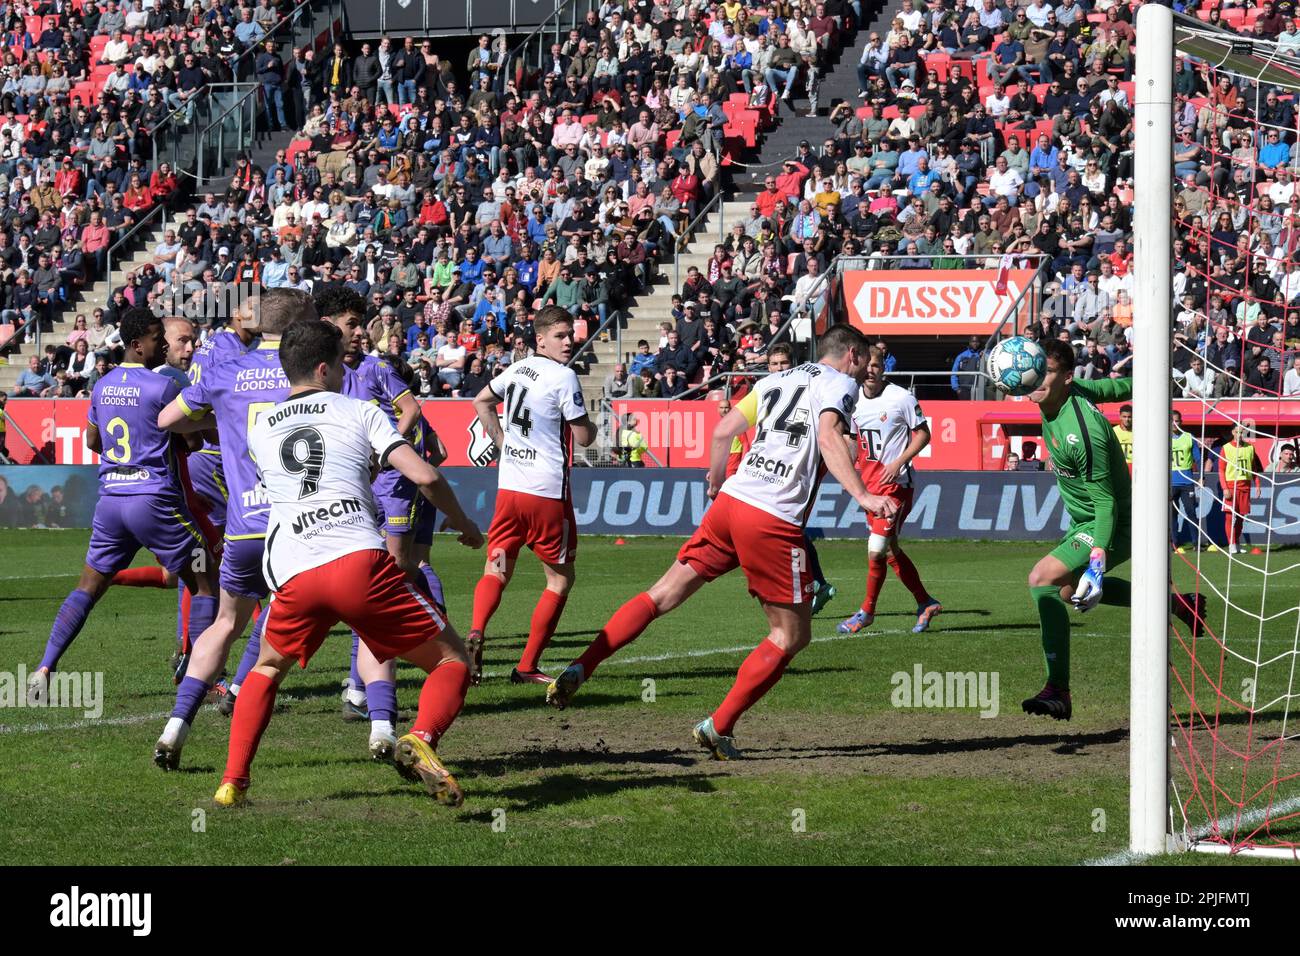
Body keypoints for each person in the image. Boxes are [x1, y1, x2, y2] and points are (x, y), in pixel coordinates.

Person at [545, 325, 899, 759]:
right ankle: (719, 725)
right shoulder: (841, 383)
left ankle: (584, 664)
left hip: (731, 502)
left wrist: (716, 480)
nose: (865, 373)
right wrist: (863, 495)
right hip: (771, 516)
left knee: (661, 595)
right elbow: (827, 436)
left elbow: (722, 431)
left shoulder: (773, 380)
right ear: (851, 355)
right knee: (790, 636)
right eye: (864, 362)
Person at [213, 318, 484, 808]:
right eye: (340, 362)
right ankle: (420, 736)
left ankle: (233, 782)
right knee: (451, 661)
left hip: (294, 569)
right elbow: (424, 475)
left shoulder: (261, 431)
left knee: (266, 669)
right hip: (357, 558)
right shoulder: (360, 411)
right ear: (324, 367)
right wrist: (464, 524)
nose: (345, 370)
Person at [151, 289, 317, 770]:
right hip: (298, 525)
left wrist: (220, 421)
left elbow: (166, 420)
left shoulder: (227, 371)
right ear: (300, 323)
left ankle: (177, 724)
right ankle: (382, 719)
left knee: (225, 623)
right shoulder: (309, 371)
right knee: (313, 616)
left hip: (244, 524)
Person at [26, 310, 219, 705]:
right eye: (155, 339)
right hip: (154, 503)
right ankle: (198, 682)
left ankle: (45, 666)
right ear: (136, 345)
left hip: (111, 502)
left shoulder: (102, 385)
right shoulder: (162, 386)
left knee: (88, 587)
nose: (162, 346)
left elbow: (93, 440)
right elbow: (195, 442)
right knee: (205, 581)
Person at [1019, 339, 1202, 721]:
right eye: (1034, 368)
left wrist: (1097, 562)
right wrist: (1152, 379)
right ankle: (1180, 605)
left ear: (1067, 377)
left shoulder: (1083, 431)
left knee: (1041, 580)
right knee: (1065, 591)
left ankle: (1058, 689)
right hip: (1087, 520)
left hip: (1113, 523)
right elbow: (1113, 388)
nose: (1035, 377)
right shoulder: (1069, 391)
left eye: (1046, 371)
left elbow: (1106, 504)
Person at [314, 288, 425, 745]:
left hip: (389, 486)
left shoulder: (376, 369)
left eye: (362, 325)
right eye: (352, 324)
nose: (361, 333)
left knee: (390, 579)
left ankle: (362, 690)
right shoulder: (323, 374)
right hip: (351, 490)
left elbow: (412, 410)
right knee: (363, 580)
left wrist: (383, 450)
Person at [466, 305, 598, 684]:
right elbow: (584, 438)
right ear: (540, 339)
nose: (568, 341)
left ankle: (476, 630)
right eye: (560, 335)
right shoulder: (564, 376)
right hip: (546, 492)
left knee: (497, 566)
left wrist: (502, 441)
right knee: (559, 580)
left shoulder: (517, 368)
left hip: (510, 486)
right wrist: (587, 418)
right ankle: (526, 666)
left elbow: (481, 402)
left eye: (570, 334)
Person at [725, 343, 836, 615]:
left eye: (783, 363)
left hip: (791, 478)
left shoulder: (806, 394)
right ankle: (814, 585)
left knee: (791, 532)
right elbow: (737, 438)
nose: (778, 368)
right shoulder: (761, 393)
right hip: (757, 478)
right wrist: (729, 475)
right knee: (787, 533)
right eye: (773, 364)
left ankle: (809, 587)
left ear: (793, 364)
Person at [837, 347, 941, 635]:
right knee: (890, 549)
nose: (870, 370)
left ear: (884, 368)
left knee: (876, 548)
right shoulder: (852, 399)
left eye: (876, 365)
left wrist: (899, 462)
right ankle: (925, 602)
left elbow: (923, 433)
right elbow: (852, 439)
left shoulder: (900, 398)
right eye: (866, 366)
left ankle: (866, 612)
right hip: (869, 487)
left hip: (896, 485)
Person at [1213, 425, 1260, 555]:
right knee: (1230, 516)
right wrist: (1225, 488)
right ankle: (1231, 544)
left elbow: (1253, 468)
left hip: (1245, 486)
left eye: (1242, 432)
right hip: (1231, 486)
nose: (1239, 435)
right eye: (1237, 432)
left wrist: (1257, 484)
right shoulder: (1226, 448)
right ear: (1232, 432)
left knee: (1240, 517)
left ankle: (1237, 543)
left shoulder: (1250, 448)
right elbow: (1221, 470)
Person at [1170, 410, 1203, 553]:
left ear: (1181, 422)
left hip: (1187, 482)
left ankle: (1196, 543)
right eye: (1172, 421)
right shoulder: (1162, 438)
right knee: (1171, 514)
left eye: (1177, 421)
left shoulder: (1189, 437)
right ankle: (1173, 544)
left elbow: (1198, 459)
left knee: (1191, 513)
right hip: (1170, 483)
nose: (1175, 424)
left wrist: (1202, 476)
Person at [1113, 403, 1133, 468]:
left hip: (1134, 466)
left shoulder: (1139, 432)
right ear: (1120, 417)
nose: (1127, 419)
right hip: (1119, 467)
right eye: (1124, 417)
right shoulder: (1113, 432)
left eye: (1129, 417)